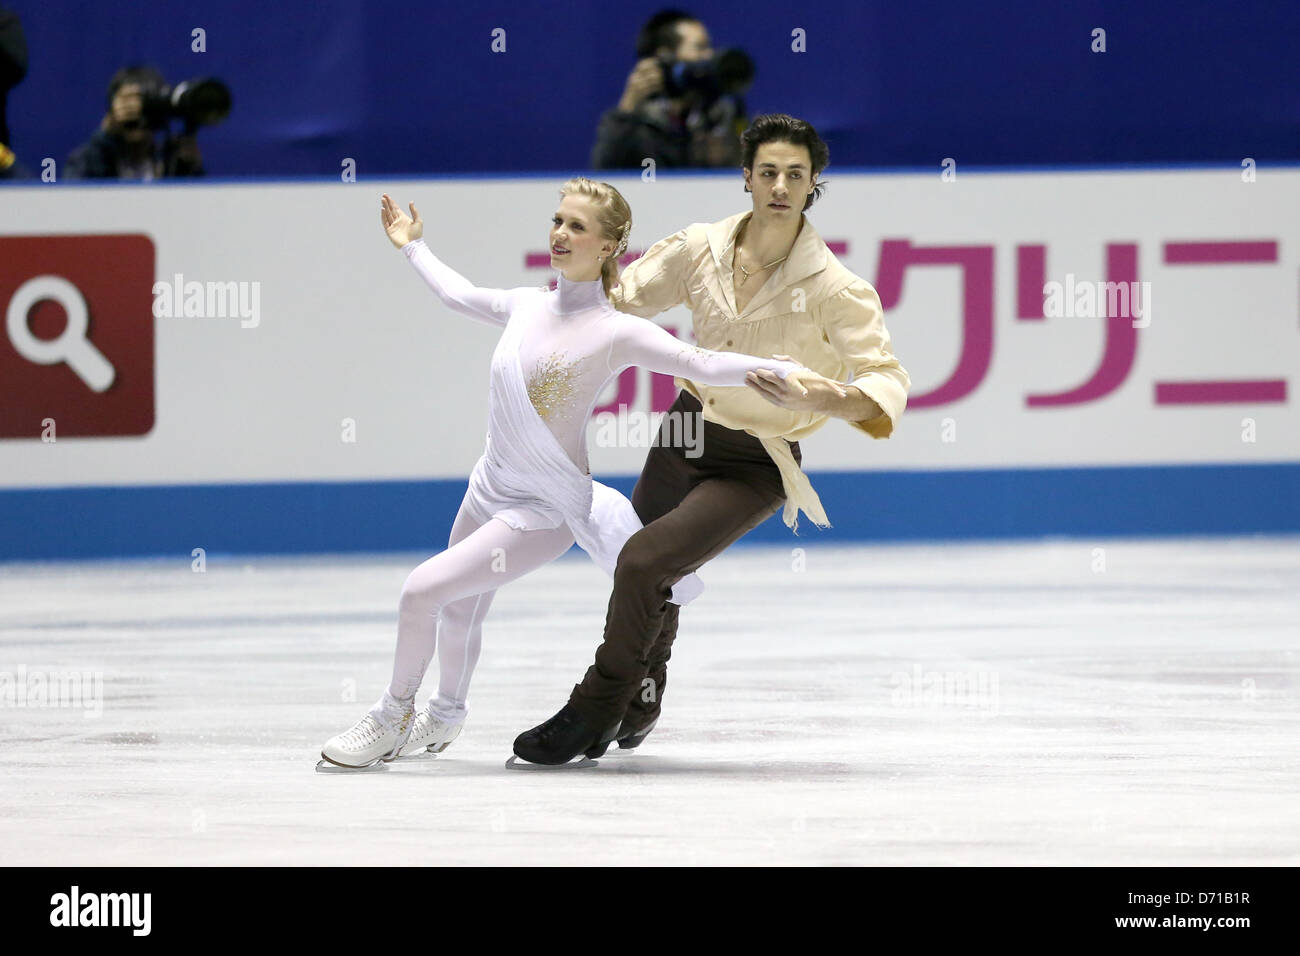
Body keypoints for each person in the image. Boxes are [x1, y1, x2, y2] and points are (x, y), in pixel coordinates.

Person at [316, 179, 846, 771]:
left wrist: (765, 367)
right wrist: (412, 245)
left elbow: (698, 361)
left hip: (542, 510)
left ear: (611, 245)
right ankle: (443, 718)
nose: (560, 234)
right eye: (557, 221)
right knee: (462, 607)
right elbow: (456, 295)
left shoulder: (614, 329)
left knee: (420, 591)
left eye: (577, 227)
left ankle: (391, 717)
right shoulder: (525, 305)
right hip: (488, 487)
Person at [513, 113, 912, 765]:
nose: (780, 185)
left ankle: (596, 704)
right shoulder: (699, 248)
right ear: (747, 179)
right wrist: (578, 263)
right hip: (686, 430)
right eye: (768, 172)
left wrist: (824, 394)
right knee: (636, 565)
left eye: (796, 174)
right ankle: (643, 689)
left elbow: (884, 381)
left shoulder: (837, 289)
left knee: (646, 562)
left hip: (756, 461)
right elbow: (625, 299)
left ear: (814, 184)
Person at [590, 9, 744, 169]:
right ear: (666, 56)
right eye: (700, 47)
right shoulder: (634, 123)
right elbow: (604, 172)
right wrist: (627, 108)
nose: (709, 56)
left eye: (709, 47)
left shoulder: (719, 115)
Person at [66, 65, 203, 180]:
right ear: (112, 109)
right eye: (128, 103)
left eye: (144, 103)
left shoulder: (171, 163)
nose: (136, 112)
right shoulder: (89, 159)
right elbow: (74, 198)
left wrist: (189, 169)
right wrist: (103, 139)